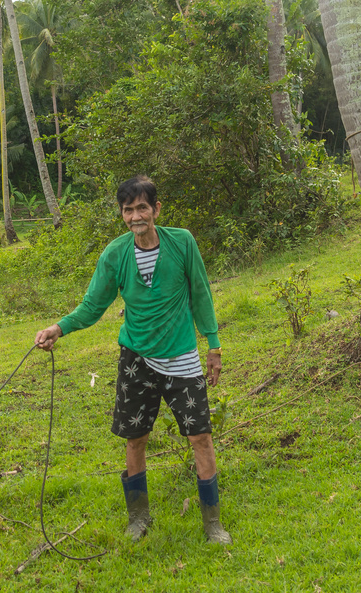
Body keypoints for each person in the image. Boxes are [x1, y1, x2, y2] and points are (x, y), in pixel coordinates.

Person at [34, 175, 231, 544]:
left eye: (143, 207)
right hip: (136, 361)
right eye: (129, 210)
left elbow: (201, 294)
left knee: (201, 437)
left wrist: (214, 347)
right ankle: (138, 519)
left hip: (183, 359)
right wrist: (58, 329)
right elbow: (93, 306)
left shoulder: (182, 242)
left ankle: (213, 524)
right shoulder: (115, 254)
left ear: (156, 209)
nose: (136, 216)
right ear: (122, 215)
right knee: (135, 438)